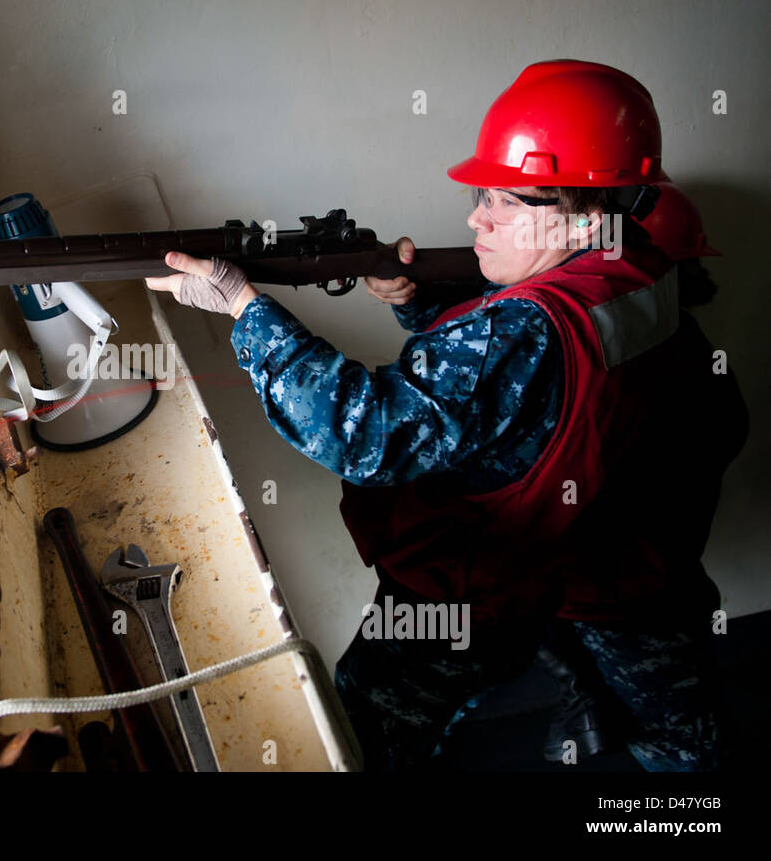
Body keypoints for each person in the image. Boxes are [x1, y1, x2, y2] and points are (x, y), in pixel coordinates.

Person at [145, 60, 748, 772]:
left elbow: (362, 432)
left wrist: (245, 309)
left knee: (371, 707)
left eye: (504, 200)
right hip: (624, 543)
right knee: (679, 730)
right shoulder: (641, 260)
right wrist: (417, 302)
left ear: (586, 212)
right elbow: (543, 365)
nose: (474, 217)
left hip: (516, 572)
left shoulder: (522, 332)